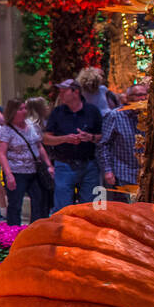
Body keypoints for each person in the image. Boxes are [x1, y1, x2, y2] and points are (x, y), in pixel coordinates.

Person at [43, 78, 104, 212]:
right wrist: (65, 139)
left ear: (75, 92)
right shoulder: (57, 112)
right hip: (65, 165)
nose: (61, 94)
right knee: (62, 207)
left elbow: (102, 136)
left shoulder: (92, 111)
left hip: (89, 165)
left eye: (64, 91)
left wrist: (90, 137)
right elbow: (46, 139)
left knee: (90, 207)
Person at [0, 98, 54, 225]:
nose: (24, 111)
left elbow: (39, 146)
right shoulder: (6, 130)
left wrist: (48, 165)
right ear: (13, 111)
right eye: (20, 109)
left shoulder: (32, 126)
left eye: (25, 108)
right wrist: (9, 175)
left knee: (39, 201)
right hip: (16, 171)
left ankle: (35, 230)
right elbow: (2, 153)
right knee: (15, 204)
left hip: (34, 170)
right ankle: (13, 232)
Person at [99, 83, 148, 193]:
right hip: (123, 174)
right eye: (139, 95)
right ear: (128, 98)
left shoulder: (150, 116)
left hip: (145, 174)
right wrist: (108, 171)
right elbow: (104, 145)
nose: (143, 98)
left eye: (145, 95)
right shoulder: (115, 116)